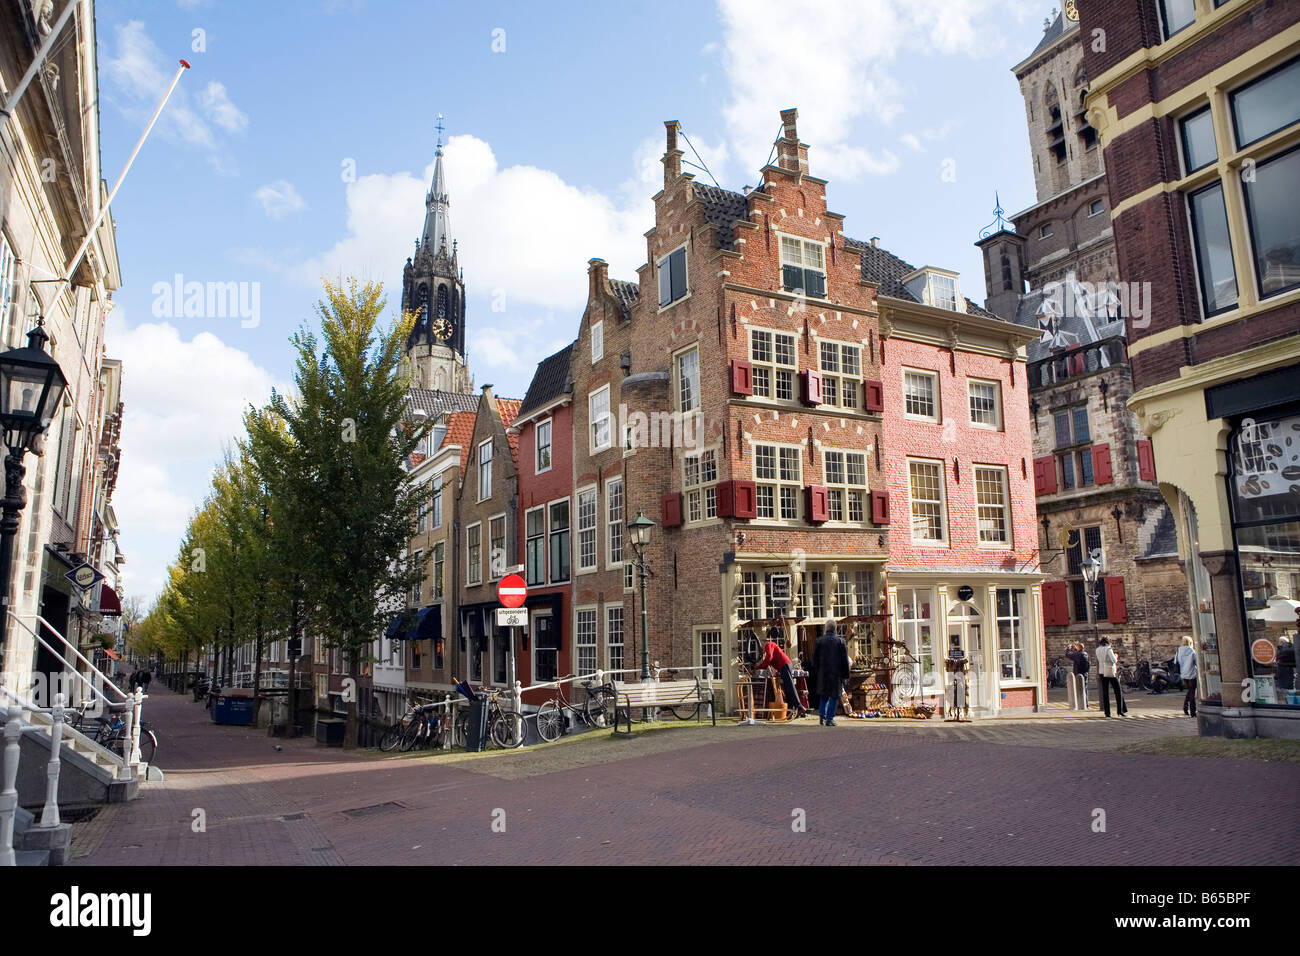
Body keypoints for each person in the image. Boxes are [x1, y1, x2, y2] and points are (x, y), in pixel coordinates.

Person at [754, 629, 808, 718]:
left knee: (790, 686)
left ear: (763, 644)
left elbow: (769, 657)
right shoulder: (771, 647)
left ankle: (799, 706)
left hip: (785, 665)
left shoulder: (769, 645)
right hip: (784, 665)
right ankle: (793, 709)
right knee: (787, 687)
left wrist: (759, 667)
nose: (763, 650)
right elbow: (772, 661)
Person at [812, 619, 851, 726]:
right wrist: (846, 675)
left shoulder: (819, 641)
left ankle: (822, 716)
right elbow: (845, 660)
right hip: (836, 674)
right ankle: (829, 719)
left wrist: (817, 671)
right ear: (835, 629)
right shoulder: (840, 642)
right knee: (834, 696)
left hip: (823, 673)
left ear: (826, 629)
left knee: (823, 696)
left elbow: (814, 659)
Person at [1095, 637, 1127, 718]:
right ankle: (1120, 710)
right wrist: (1116, 656)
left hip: (1102, 672)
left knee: (1105, 692)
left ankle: (1107, 713)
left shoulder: (1097, 649)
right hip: (1110, 671)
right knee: (1118, 690)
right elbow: (1114, 660)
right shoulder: (1108, 649)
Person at [1173, 635, 1198, 716]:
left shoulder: (1178, 651)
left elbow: (1175, 662)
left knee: (1190, 691)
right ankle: (1193, 712)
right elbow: (1197, 662)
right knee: (1192, 692)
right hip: (1192, 674)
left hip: (1183, 674)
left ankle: (1185, 707)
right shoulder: (1192, 651)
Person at [1065, 642, 1090, 710]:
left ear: (1078, 647)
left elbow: (1068, 655)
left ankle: (1080, 704)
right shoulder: (1085, 654)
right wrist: (1076, 649)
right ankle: (1086, 704)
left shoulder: (1077, 654)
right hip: (1085, 673)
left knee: (1078, 688)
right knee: (1085, 688)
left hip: (1078, 673)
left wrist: (1068, 648)